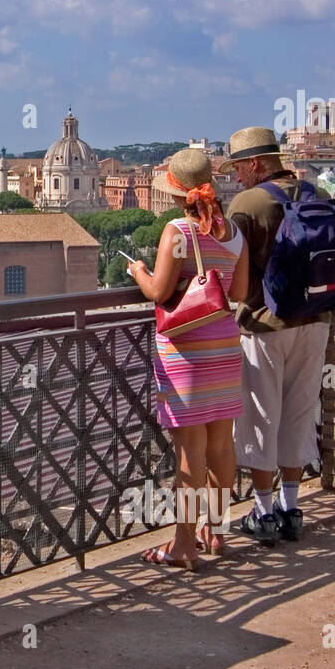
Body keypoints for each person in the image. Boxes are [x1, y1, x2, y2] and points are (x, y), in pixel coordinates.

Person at [129, 149, 249, 569]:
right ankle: (215, 532)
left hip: (186, 352)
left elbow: (160, 292)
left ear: (176, 192)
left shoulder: (176, 231)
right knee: (221, 445)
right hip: (225, 347)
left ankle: (182, 544)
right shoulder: (234, 233)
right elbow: (238, 293)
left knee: (189, 452)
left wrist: (139, 273)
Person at [221, 127, 332, 546]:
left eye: (238, 168)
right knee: (300, 415)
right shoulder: (313, 192)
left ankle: (264, 512)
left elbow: (232, 268)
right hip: (315, 320)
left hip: (266, 324)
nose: (236, 177)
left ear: (253, 165)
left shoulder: (249, 202)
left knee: (261, 419)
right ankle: (292, 507)